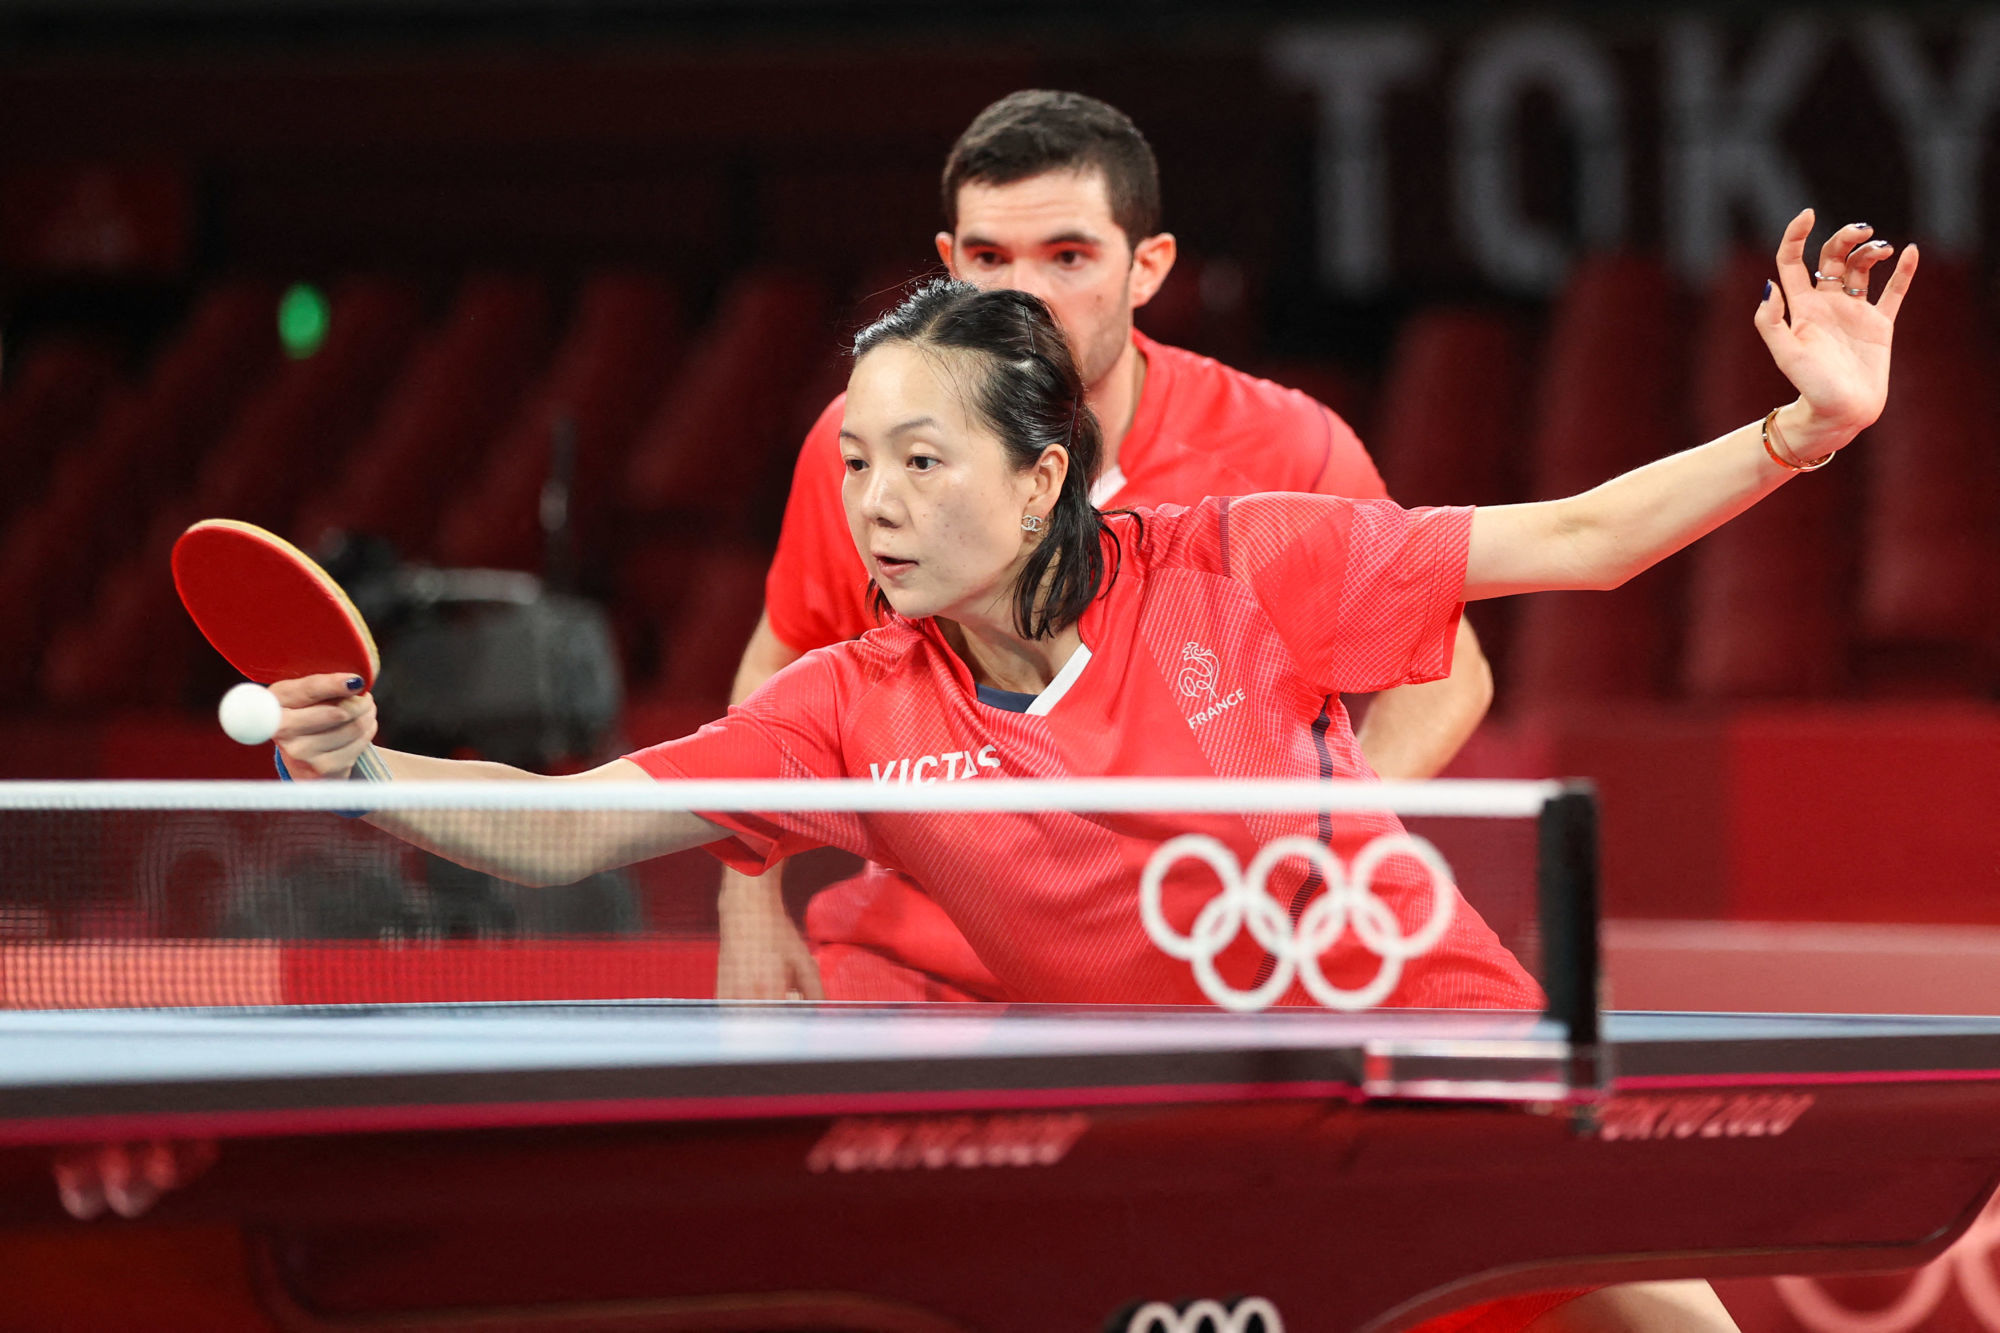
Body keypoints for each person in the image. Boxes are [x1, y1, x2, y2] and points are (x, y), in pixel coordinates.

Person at [273, 210, 1911, 1333]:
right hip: (1183, 1116)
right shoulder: (852, 699)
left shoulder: (1238, 559)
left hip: (1431, 1049)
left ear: (1044, 470)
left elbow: (1583, 542)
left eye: (923, 461)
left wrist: (1805, 432)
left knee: (1661, 1294)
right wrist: (365, 764)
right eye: (855, 466)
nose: (877, 506)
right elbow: (573, 830)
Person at [719, 89, 1497, 1003]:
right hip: (922, 971)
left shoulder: (1286, 446)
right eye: (987, 256)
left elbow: (1453, 675)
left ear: (1149, 266)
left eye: (1069, 256)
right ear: (947, 264)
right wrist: (747, 905)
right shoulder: (868, 446)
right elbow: (780, 667)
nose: (1023, 294)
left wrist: (1301, 853)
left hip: (1192, 961)